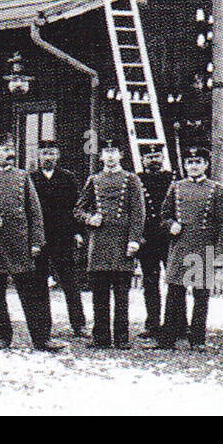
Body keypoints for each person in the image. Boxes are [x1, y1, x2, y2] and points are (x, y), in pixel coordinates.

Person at [0, 132, 61, 352]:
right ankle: (2, 336)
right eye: (4, 150)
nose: (9, 154)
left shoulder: (23, 177)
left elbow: (35, 212)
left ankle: (41, 338)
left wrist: (37, 241)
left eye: (11, 149)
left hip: (21, 244)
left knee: (31, 293)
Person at [155, 146, 223, 352]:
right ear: (185, 165)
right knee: (174, 294)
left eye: (198, 163)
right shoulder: (176, 187)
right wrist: (171, 225)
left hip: (203, 249)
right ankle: (167, 339)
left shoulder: (216, 189)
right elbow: (164, 216)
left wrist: (220, 254)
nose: (194, 166)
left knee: (201, 297)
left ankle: (197, 339)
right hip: (180, 247)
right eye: (190, 163)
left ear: (206, 165)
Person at [73, 139, 145, 349]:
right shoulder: (94, 180)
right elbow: (78, 209)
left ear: (121, 155)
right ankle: (101, 337)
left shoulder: (131, 180)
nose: (111, 156)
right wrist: (89, 218)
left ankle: (121, 338)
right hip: (99, 243)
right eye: (107, 152)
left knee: (121, 294)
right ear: (101, 156)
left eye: (114, 151)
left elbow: (138, 213)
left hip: (123, 243)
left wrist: (134, 240)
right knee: (99, 293)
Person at [31, 138, 88, 338]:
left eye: (52, 153)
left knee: (70, 282)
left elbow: (77, 207)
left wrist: (77, 232)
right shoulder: (31, 179)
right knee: (39, 283)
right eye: (45, 154)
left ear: (58, 156)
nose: (49, 158)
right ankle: (43, 325)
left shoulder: (68, 178)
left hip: (63, 238)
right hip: (40, 238)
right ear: (38, 156)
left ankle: (79, 324)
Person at [136, 148, 173, 340]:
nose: (153, 160)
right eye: (149, 157)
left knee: (176, 282)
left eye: (157, 156)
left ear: (163, 158)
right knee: (150, 282)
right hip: (147, 239)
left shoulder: (172, 179)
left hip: (170, 238)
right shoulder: (137, 180)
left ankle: (177, 323)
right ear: (142, 159)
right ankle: (153, 323)